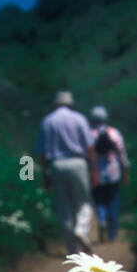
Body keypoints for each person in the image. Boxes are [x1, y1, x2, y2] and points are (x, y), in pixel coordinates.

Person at [35, 91, 95, 249]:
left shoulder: (47, 121)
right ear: (71, 103)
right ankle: (81, 230)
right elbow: (89, 147)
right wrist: (94, 171)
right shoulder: (79, 119)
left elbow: (42, 152)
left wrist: (45, 176)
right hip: (78, 162)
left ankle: (72, 249)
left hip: (57, 164)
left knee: (64, 206)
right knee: (83, 202)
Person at [89, 106, 130, 243]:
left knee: (99, 200)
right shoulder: (114, 133)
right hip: (113, 172)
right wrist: (125, 171)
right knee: (113, 201)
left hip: (96, 173)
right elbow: (121, 153)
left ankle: (101, 220)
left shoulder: (89, 134)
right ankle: (112, 234)